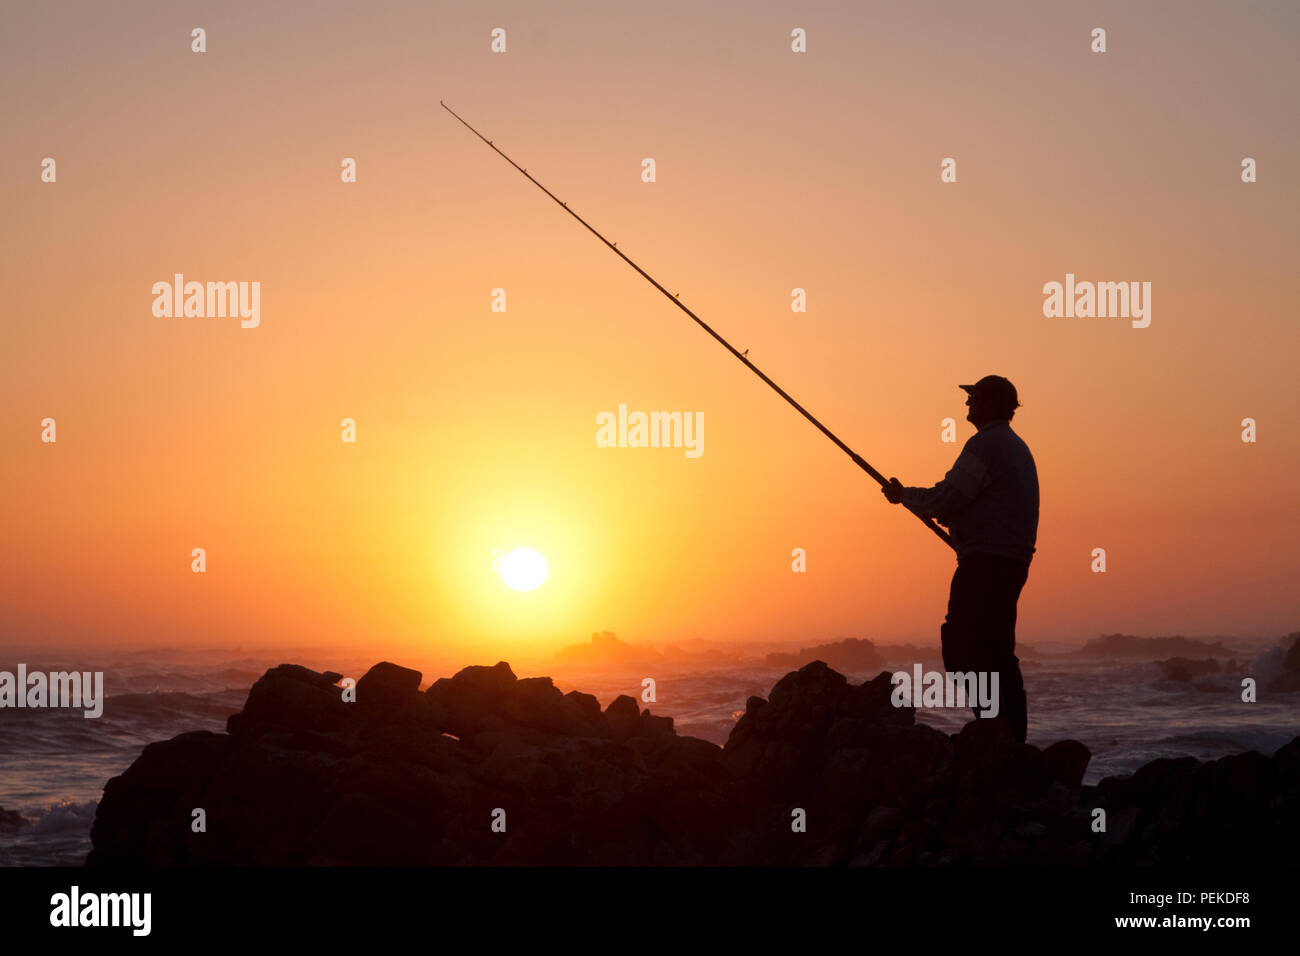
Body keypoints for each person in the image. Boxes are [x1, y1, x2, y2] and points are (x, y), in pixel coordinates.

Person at [881, 375, 1039, 743]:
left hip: (985, 564)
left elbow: (948, 497)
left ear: (992, 404)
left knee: (962, 646)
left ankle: (994, 729)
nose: (967, 404)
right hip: (1011, 563)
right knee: (997, 651)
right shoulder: (1016, 448)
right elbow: (977, 503)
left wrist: (904, 496)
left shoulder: (985, 444)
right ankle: (1010, 736)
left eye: (974, 398)